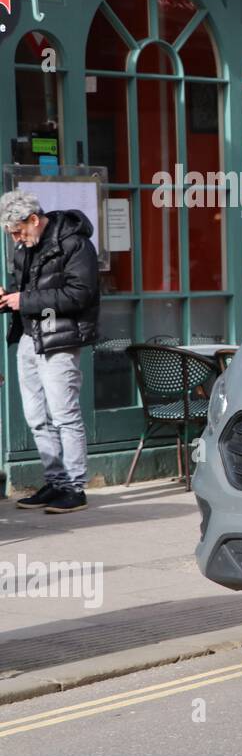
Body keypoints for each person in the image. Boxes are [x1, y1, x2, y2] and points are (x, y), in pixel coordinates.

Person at [0, 189, 100, 513]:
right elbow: (30, 292)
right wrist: (9, 298)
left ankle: (75, 487)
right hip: (30, 336)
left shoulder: (74, 242)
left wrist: (24, 301)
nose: (16, 237)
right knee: (36, 416)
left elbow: (80, 294)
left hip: (60, 337)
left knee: (64, 414)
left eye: (18, 230)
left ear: (33, 219)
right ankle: (56, 482)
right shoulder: (25, 245)